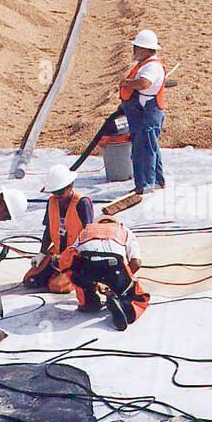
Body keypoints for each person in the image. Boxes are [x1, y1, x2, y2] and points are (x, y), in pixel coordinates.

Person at [62, 215, 149, 330]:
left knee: (80, 271)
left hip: (87, 265)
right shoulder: (124, 230)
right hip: (113, 265)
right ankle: (125, 304)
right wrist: (124, 283)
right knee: (137, 296)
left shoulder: (86, 230)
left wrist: (90, 281)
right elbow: (136, 263)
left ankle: (89, 301)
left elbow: (70, 255)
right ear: (115, 223)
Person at [23, 164, 94, 294]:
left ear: (70, 186)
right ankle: (55, 272)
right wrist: (42, 253)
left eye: (60, 192)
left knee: (57, 287)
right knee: (30, 280)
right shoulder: (51, 202)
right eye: (54, 192)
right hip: (57, 252)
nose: (57, 196)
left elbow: (89, 236)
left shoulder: (82, 203)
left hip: (75, 255)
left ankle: (70, 276)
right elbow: (48, 229)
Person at [118, 28, 166, 194]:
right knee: (150, 146)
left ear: (145, 49)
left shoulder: (151, 66)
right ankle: (157, 181)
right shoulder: (146, 64)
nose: (134, 50)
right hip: (144, 110)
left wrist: (127, 83)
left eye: (137, 47)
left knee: (144, 148)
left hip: (148, 112)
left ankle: (146, 186)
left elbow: (144, 84)